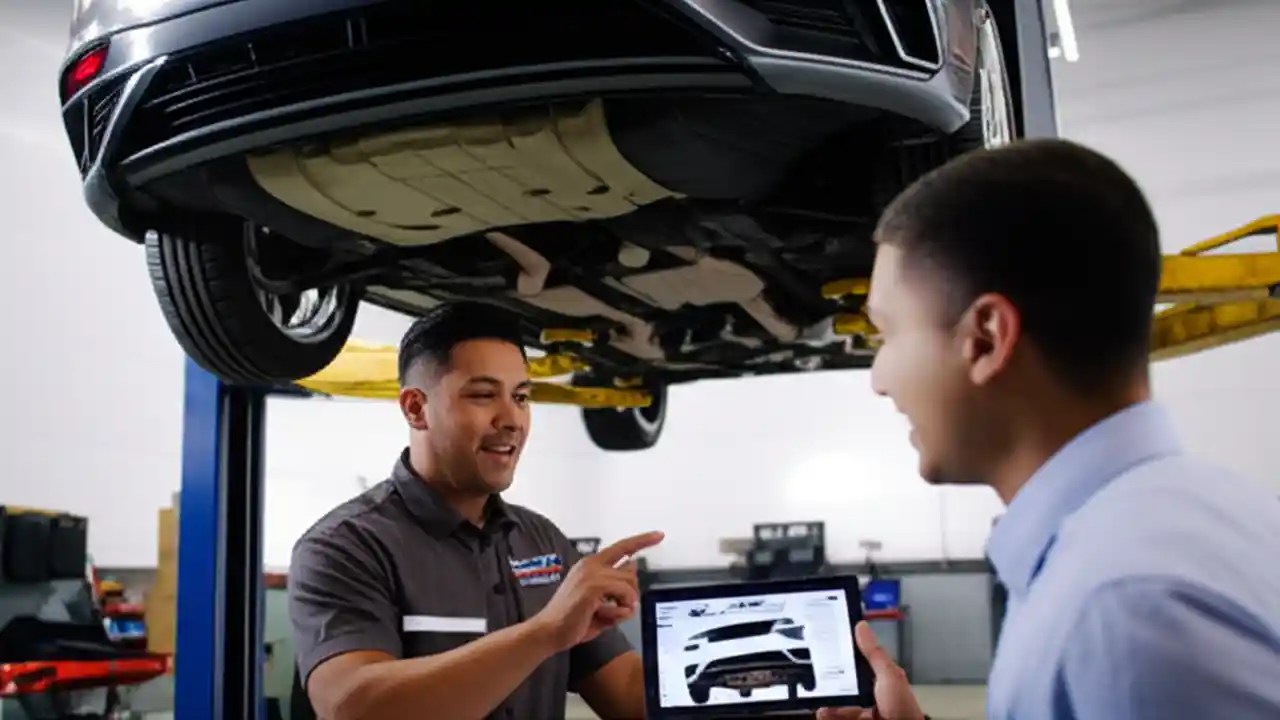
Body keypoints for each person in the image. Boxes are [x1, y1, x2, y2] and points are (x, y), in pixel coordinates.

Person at [818, 138, 1280, 719]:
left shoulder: (1124, 608)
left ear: (986, 337)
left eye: (888, 334)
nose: (878, 379)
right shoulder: (1200, 516)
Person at [287, 301, 663, 720]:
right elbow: (353, 708)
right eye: (484, 395)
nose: (512, 419)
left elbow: (630, 694)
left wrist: (735, 673)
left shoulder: (541, 541)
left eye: (521, 397)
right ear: (415, 408)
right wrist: (544, 633)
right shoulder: (346, 547)